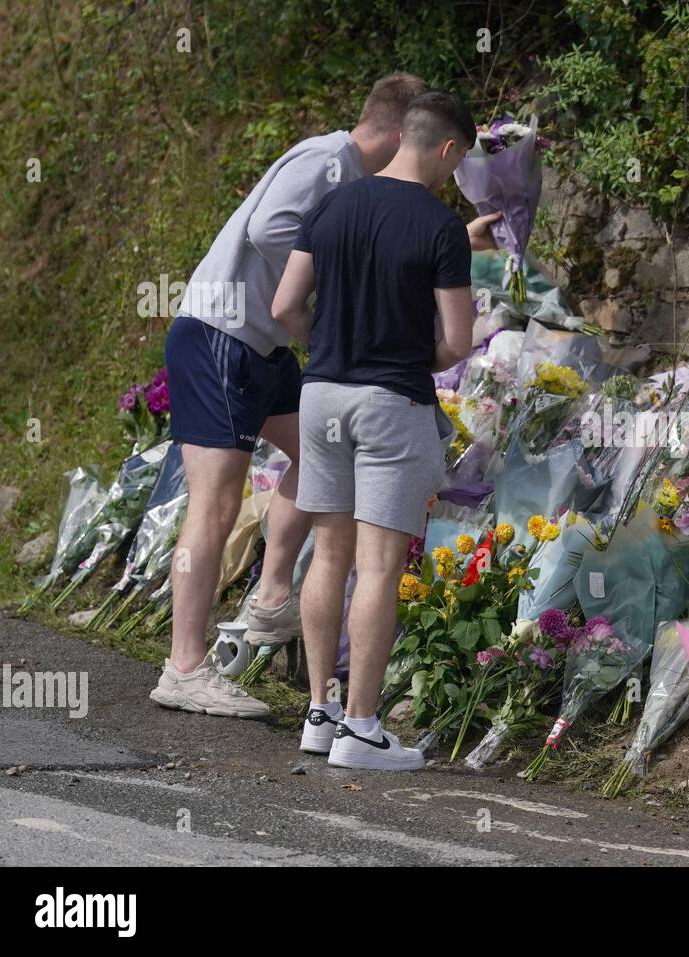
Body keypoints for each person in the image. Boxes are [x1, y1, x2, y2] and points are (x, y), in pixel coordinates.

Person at [150, 74, 428, 719]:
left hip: (265, 346)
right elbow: (273, 228)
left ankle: (271, 597)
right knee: (215, 505)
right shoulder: (326, 160)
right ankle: (184, 668)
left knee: (325, 455)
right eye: (411, 142)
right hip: (222, 335)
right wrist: (327, 287)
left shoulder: (352, 177)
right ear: (392, 134)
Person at [271, 90, 497, 769]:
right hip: (389, 404)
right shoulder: (438, 226)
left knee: (328, 553)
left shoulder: (334, 203)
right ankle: (363, 728)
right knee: (376, 564)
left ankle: (320, 712)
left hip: (320, 396)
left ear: (402, 134)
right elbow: (458, 343)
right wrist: (402, 356)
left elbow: (285, 304)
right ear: (449, 150)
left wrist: (333, 344)